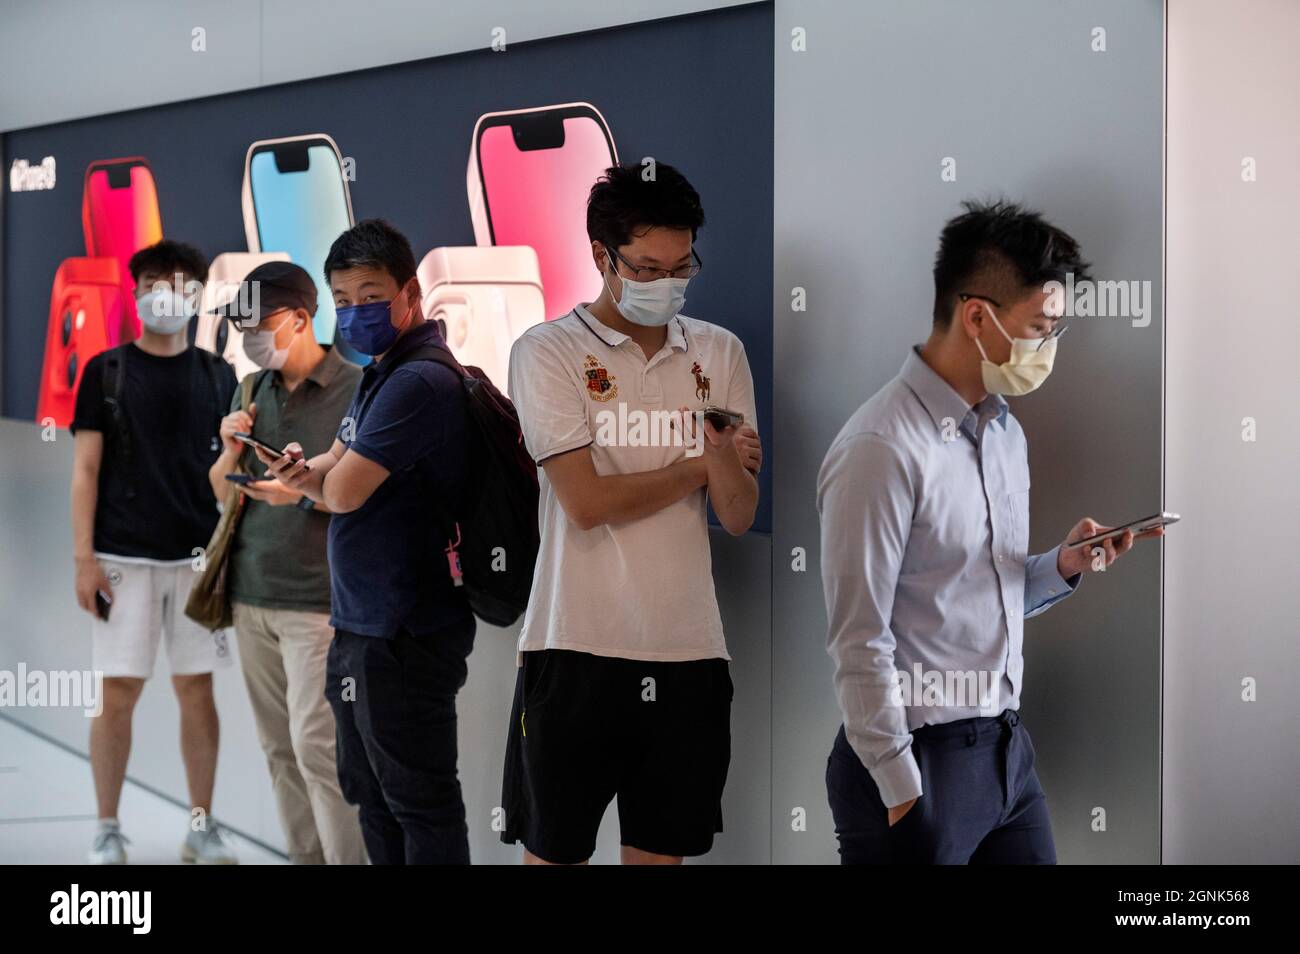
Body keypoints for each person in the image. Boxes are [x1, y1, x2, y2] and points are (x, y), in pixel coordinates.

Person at [818, 199, 1163, 865]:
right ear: (976, 316)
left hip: (1005, 755)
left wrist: (1064, 564)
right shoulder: (880, 446)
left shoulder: (1004, 432)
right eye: (1039, 328)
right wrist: (901, 790)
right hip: (917, 763)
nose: (1047, 348)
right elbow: (859, 638)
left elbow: (982, 591)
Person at [499, 162, 762, 865]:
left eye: (682, 267)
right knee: (553, 853)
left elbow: (736, 513)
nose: (666, 284)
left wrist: (723, 469)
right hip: (574, 644)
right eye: (646, 268)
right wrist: (702, 464)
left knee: (660, 855)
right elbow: (586, 503)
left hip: (688, 649)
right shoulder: (547, 351)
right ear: (601, 257)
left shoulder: (719, 352)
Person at [259, 219, 479, 864]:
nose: (357, 313)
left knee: (418, 799)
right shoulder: (385, 370)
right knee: (371, 793)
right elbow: (334, 461)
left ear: (411, 292)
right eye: (344, 301)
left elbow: (346, 492)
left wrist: (316, 484)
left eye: (371, 296)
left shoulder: (419, 381)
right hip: (362, 625)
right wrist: (305, 473)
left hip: (405, 631)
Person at [70, 240, 239, 864]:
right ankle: (107, 827)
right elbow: (85, 471)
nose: (165, 290)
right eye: (152, 279)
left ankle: (201, 823)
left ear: (197, 292)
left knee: (198, 691)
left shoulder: (219, 375)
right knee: (118, 693)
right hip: (121, 560)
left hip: (197, 560)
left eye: (178, 280)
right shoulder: (105, 371)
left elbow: (231, 472)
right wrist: (82, 559)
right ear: (135, 289)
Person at [207, 261, 366, 864]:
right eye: (241, 324)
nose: (249, 337)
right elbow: (222, 492)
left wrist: (304, 489)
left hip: (317, 601)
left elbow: (370, 498)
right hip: (252, 594)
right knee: (279, 749)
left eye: (259, 323)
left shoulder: (357, 388)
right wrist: (228, 453)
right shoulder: (251, 391)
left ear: (301, 318)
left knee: (317, 749)